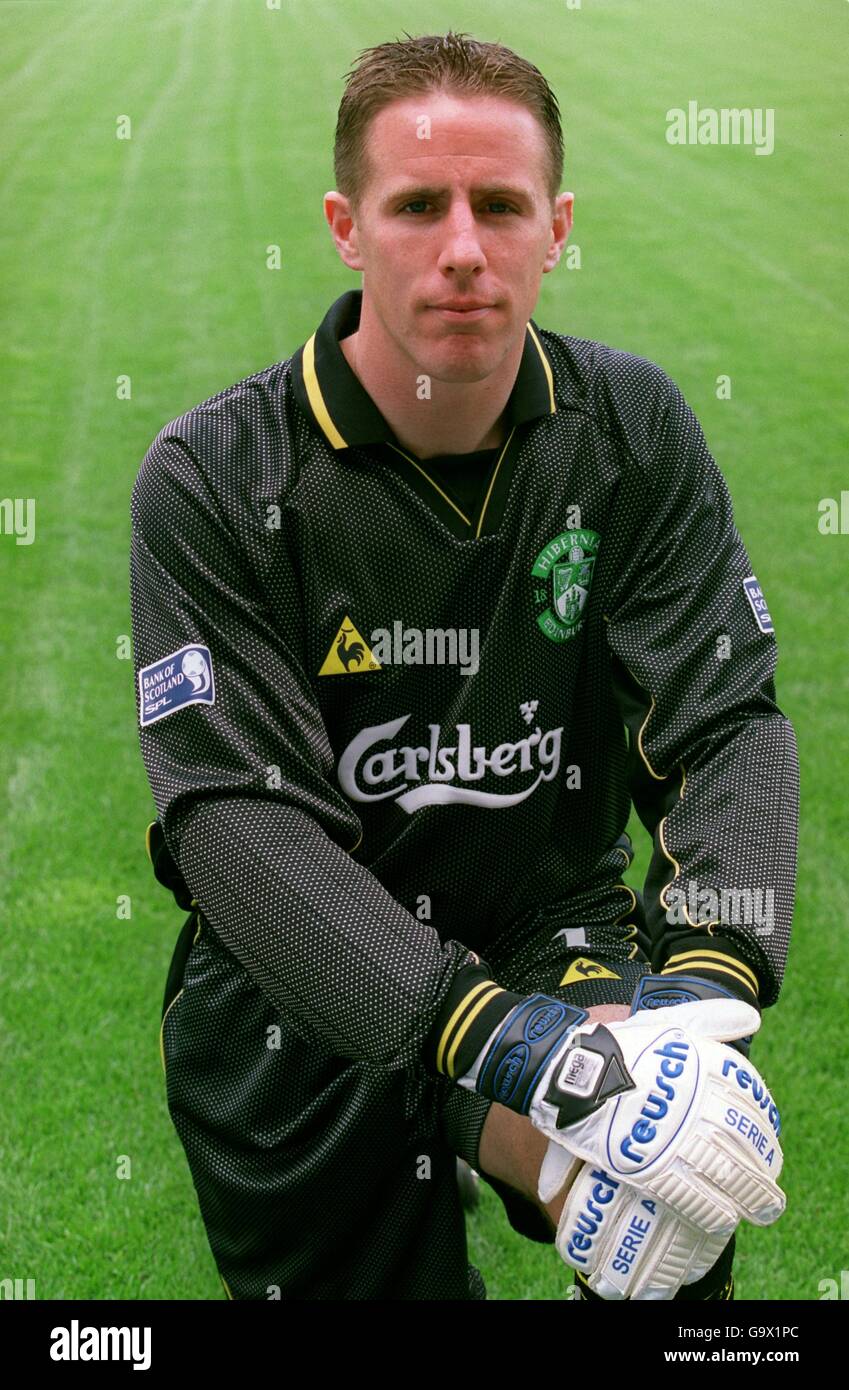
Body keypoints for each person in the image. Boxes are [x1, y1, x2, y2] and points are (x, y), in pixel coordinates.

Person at [131, 31, 798, 1301]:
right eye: (416, 206)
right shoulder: (216, 475)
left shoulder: (629, 429)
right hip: (297, 976)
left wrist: (700, 991)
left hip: (552, 926)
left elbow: (723, 721)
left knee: (669, 1202)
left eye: (499, 205)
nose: (461, 248)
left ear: (556, 228)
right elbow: (236, 823)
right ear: (346, 226)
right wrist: (504, 1042)